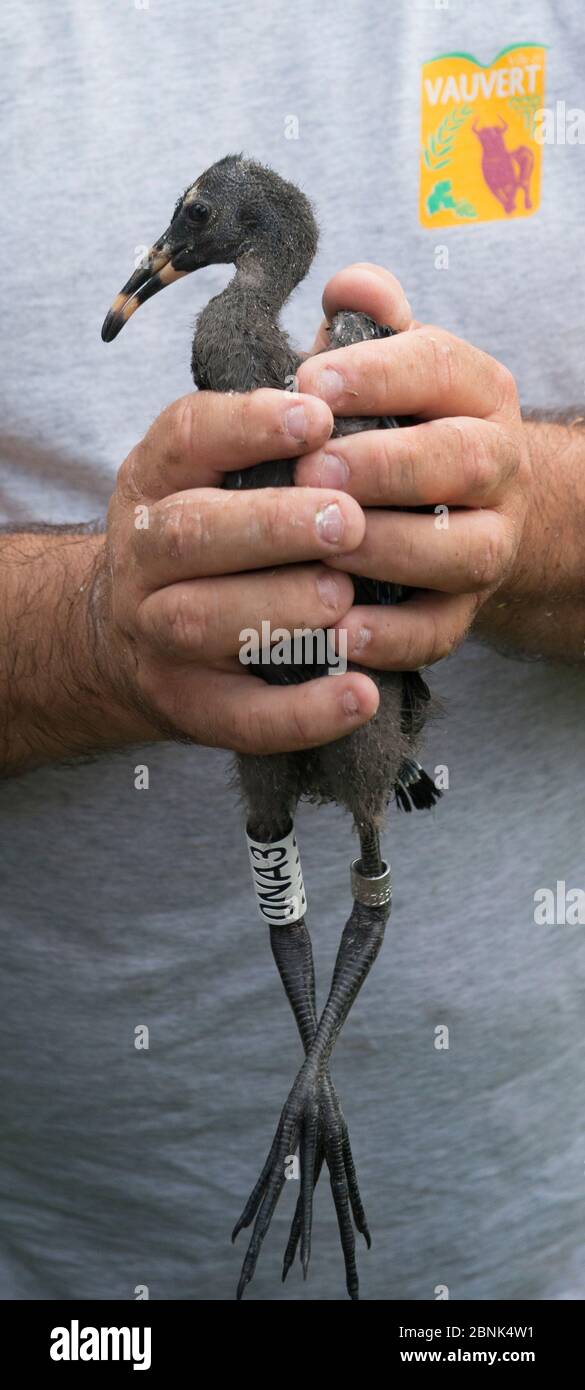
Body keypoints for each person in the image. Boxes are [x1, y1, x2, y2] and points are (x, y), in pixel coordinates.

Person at [1, 0, 584, 1301]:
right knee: (284, 861)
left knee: (350, 864)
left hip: (525, 1262)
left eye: (185, 246)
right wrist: (91, 633)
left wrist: (516, 513)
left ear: (247, 247)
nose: (157, 270)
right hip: (66, 1276)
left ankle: (305, 1081)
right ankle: (314, 1082)